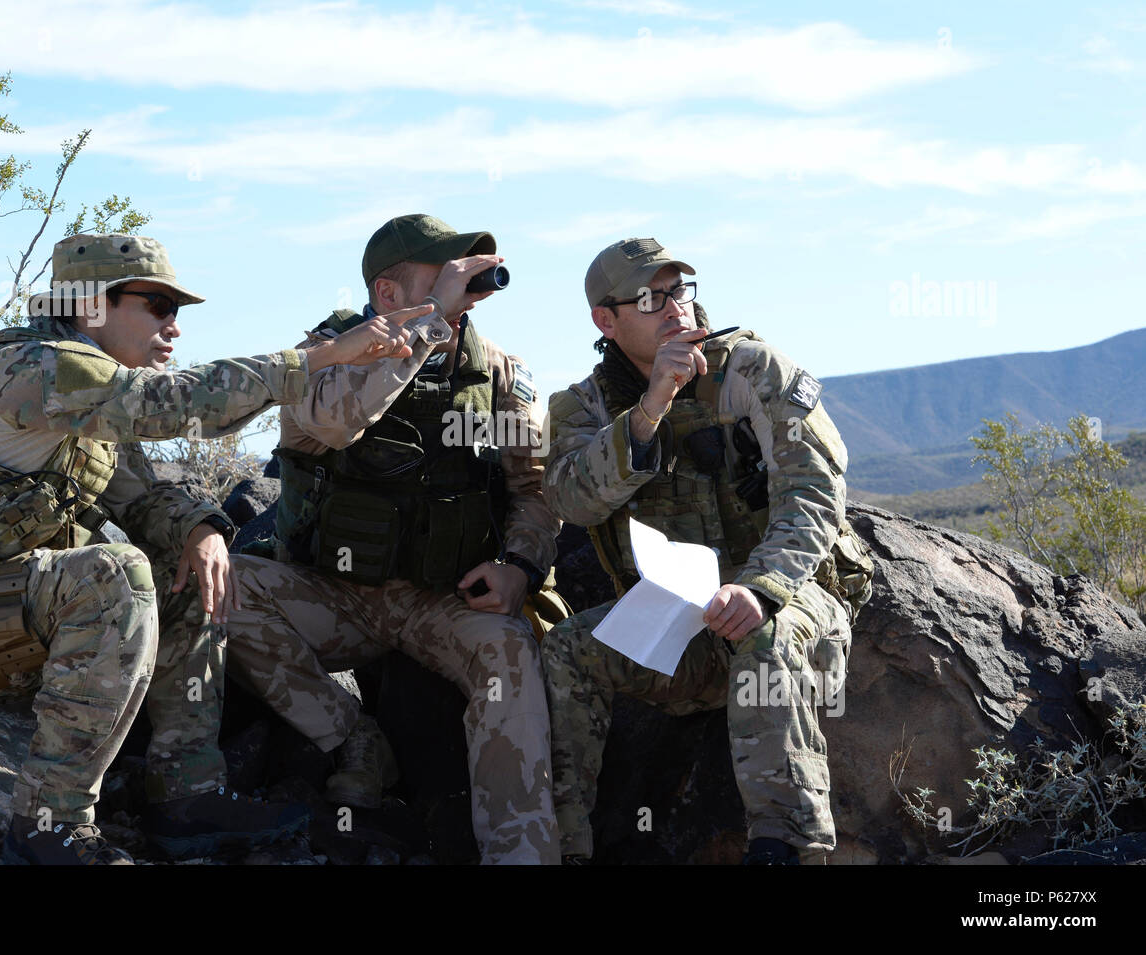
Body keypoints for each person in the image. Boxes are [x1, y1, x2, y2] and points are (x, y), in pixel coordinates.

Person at [0, 233, 423, 864]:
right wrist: (317, 359)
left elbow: (140, 498)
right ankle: (50, 827)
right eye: (156, 305)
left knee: (185, 575)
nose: (173, 326)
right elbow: (178, 403)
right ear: (92, 305)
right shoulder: (31, 370)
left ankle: (187, 796)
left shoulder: (88, 397)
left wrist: (201, 531)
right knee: (115, 575)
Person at [226, 214, 561, 864]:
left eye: (469, 276)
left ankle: (519, 853)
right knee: (224, 586)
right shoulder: (327, 352)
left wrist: (520, 564)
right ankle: (353, 736)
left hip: (442, 599)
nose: (466, 289)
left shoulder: (495, 372)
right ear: (386, 293)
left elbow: (535, 489)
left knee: (510, 655)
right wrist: (428, 323)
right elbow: (334, 421)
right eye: (445, 275)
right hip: (337, 591)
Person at [538, 237, 872, 864]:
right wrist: (651, 408)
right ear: (605, 321)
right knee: (567, 649)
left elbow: (815, 487)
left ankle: (787, 847)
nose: (674, 309)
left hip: (790, 604)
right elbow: (574, 503)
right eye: (649, 297)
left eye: (678, 291)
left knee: (764, 638)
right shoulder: (581, 406)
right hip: (677, 630)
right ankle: (567, 848)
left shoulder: (750, 368)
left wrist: (763, 589)